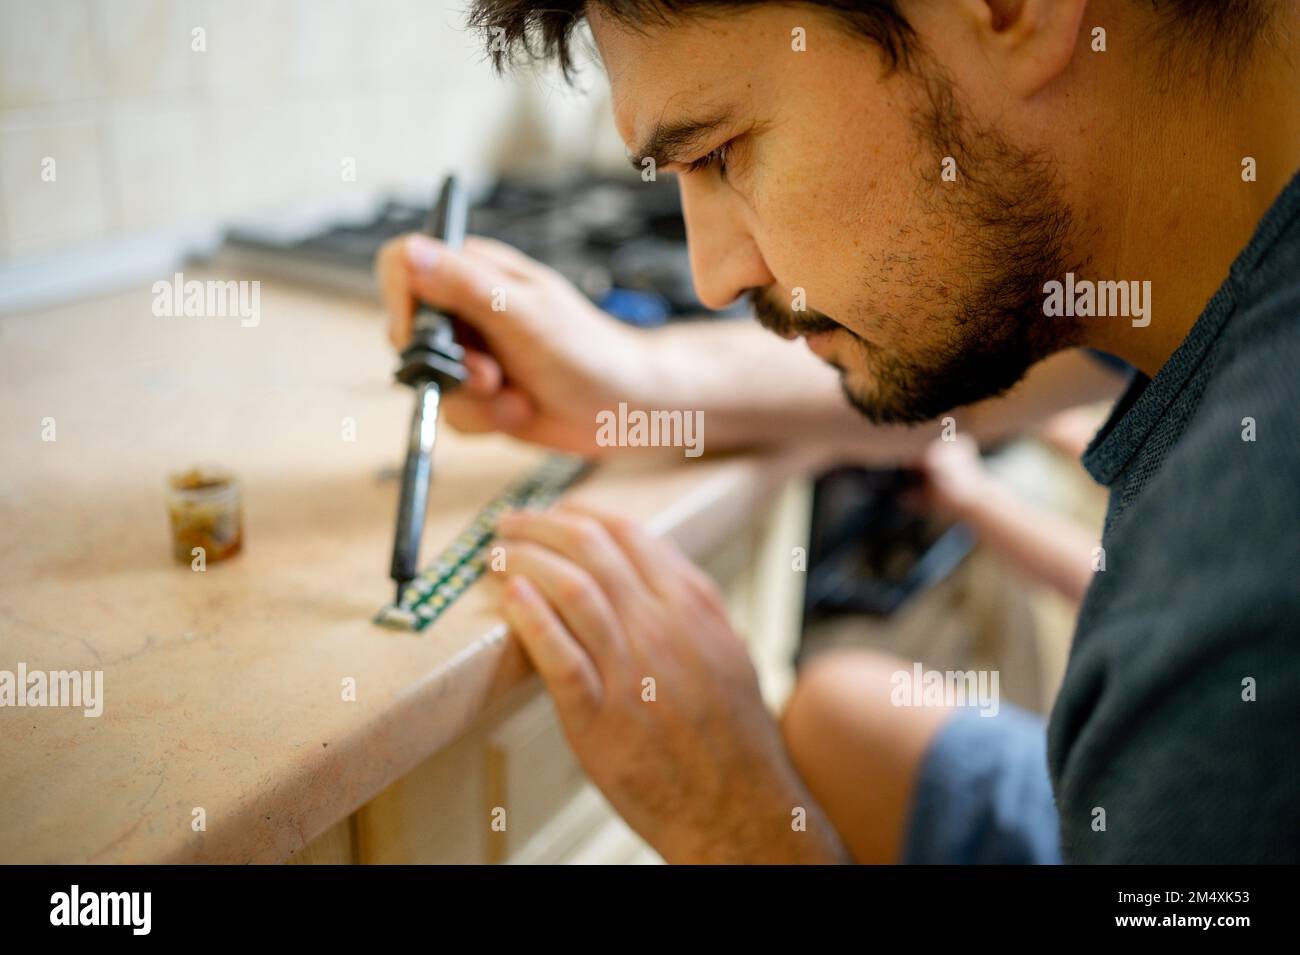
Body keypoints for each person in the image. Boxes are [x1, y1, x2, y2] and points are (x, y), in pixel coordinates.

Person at [375, 0, 1300, 863]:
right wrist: (640, 376)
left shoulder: (1228, 612)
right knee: (844, 719)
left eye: (724, 152)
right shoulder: (1202, 216)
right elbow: (984, 373)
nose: (713, 278)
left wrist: (740, 828)